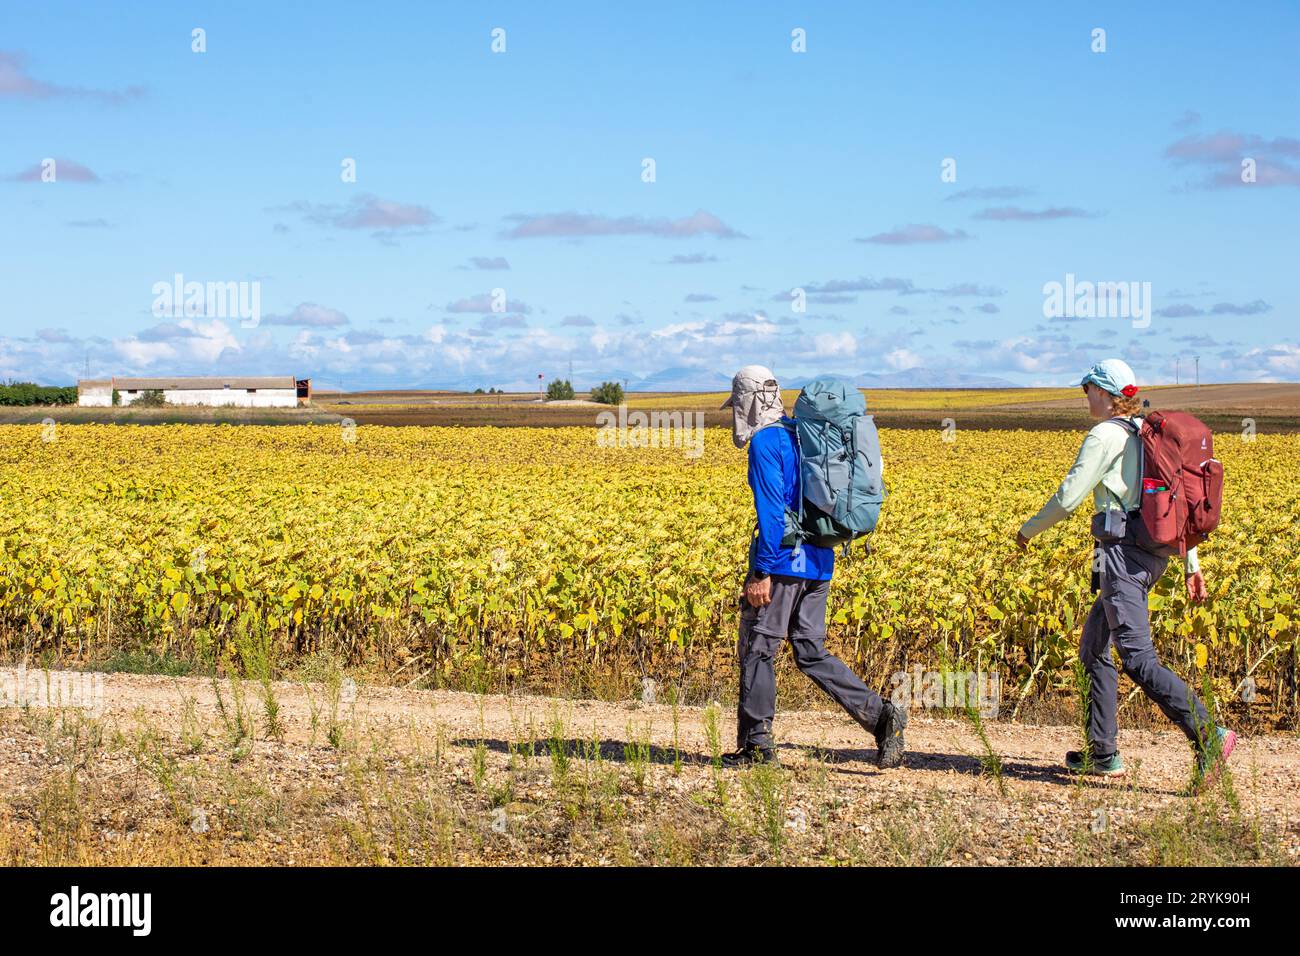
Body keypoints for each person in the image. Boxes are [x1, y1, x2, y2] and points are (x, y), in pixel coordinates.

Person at [1015, 359, 1235, 787]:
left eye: (1088, 389)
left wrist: (1028, 531)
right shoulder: (1144, 432)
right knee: (1093, 648)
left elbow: (1070, 495)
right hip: (1153, 553)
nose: (1085, 397)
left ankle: (1208, 734)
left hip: (1120, 556)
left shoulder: (1105, 435)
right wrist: (1191, 563)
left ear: (1104, 391)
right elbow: (1178, 501)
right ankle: (1102, 752)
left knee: (1136, 657)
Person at [721, 365, 906, 768]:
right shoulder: (803, 435)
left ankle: (757, 745)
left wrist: (761, 572)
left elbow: (771, 512)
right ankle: (882, 716)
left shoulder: (766, 442)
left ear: (748, 401)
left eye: (737, 403)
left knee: (759, 647)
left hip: (784, 561)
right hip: (820, 560)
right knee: (809, 651)